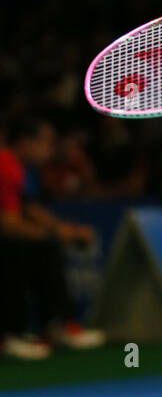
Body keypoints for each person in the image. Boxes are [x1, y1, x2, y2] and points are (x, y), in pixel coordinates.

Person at [0, 115, 105, 358]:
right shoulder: (6, 166)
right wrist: (55, 235)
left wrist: (64, 231)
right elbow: (7, 226)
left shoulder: (20, 169)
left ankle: (54, 327)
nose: (50, 149)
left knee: (43, 244)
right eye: (45, 142)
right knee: (26, 248)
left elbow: (29, 209)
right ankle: (11, 335)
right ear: (25, 142)